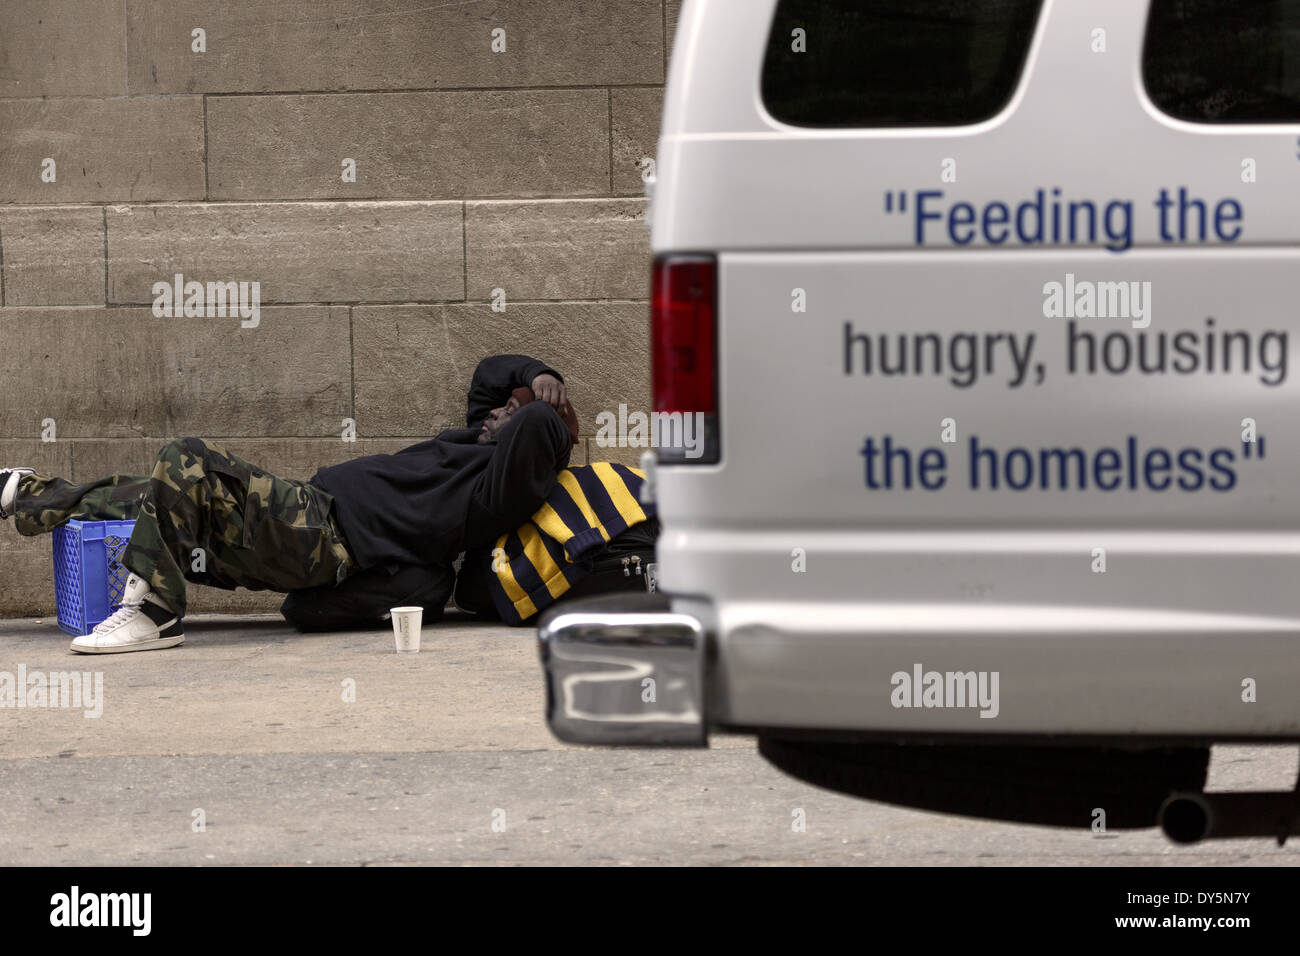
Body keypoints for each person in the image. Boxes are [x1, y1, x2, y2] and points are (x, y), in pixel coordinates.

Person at [0, 354, 579, 654]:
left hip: (327, 539)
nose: (503, 406)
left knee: (187, 456)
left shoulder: (496, 486)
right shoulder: (474, 438)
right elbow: (489, 376)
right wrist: (537, 372)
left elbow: (534, 431)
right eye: (507, 404)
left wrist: (551, 407)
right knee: (155, 492)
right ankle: (23, 496)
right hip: (308, 508)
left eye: (515, 408)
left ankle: (157, 614)